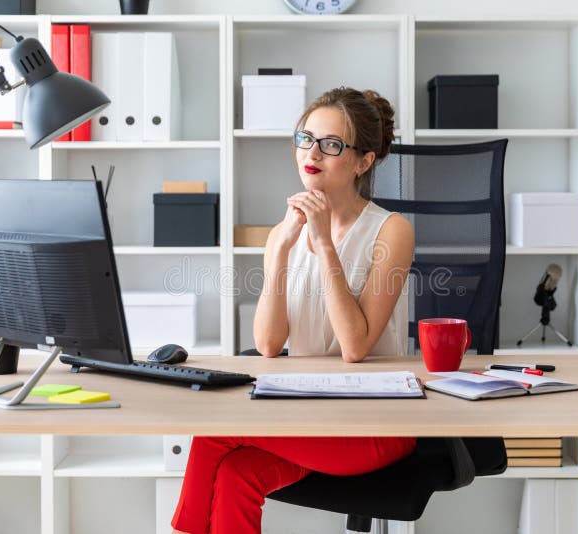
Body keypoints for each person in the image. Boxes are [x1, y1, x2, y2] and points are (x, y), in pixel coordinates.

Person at [171, 87, 415, 534]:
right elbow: (267, 344)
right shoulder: (282, 232)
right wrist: (282, 249)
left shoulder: (391, 231)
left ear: (363, 161)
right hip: (309, 412)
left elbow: (356, 347)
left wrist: (323, 244)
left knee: (214, 429)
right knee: (235, 473)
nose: (313, 153)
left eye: (332, 144)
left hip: (377, 421)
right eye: (306, 138)